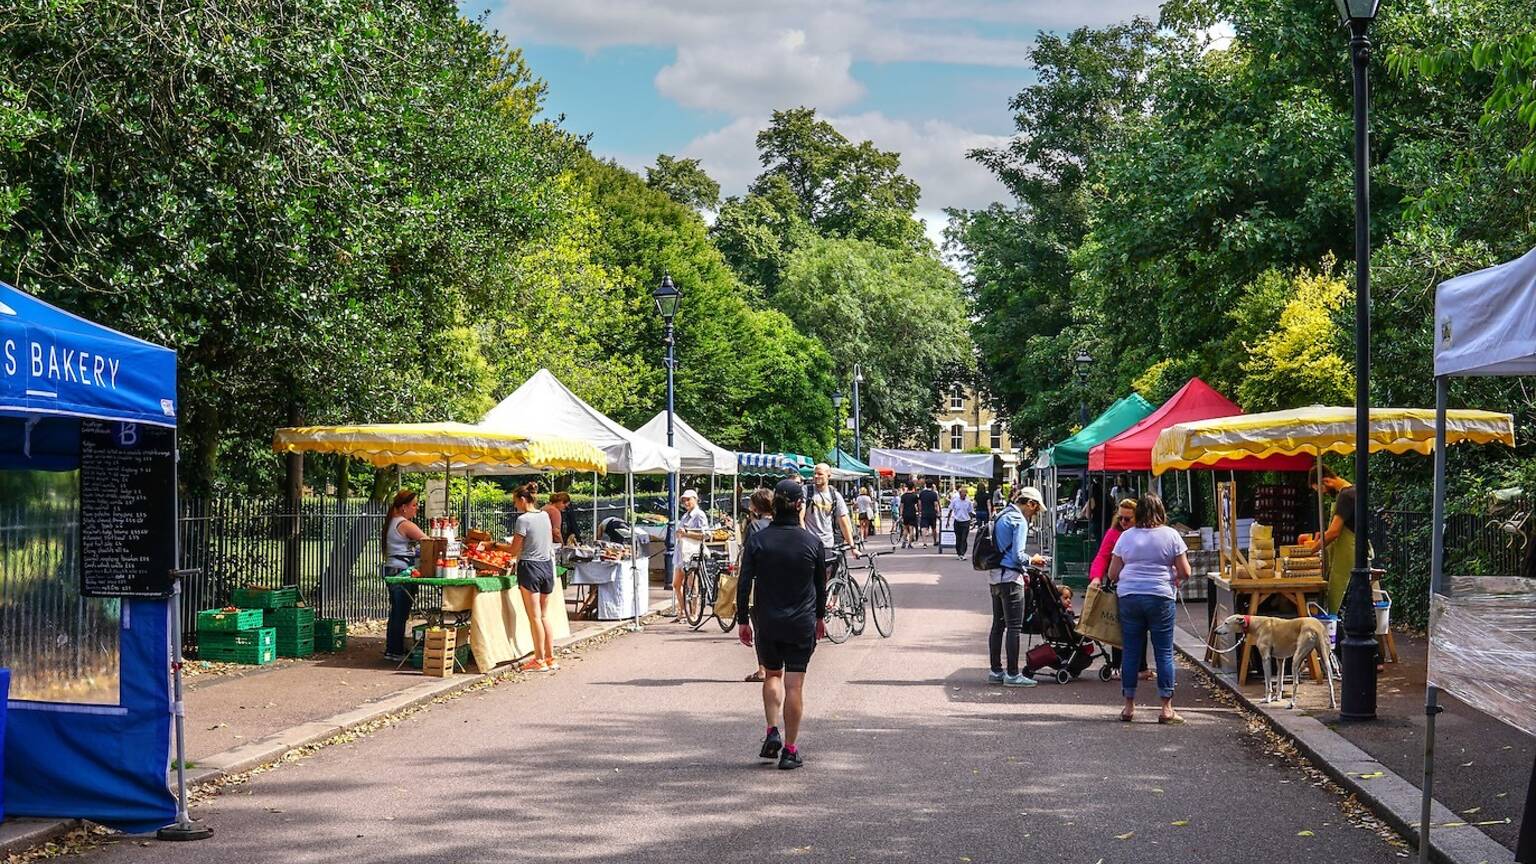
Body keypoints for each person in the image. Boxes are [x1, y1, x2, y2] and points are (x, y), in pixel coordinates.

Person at [737, 478, 828, 770]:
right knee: (795, 685)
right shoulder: (813, 542)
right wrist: (820, 618)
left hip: (768, 620)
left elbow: (743, 582)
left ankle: (771, 729)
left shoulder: (758, 540)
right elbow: (820, 586)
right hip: (801, 621)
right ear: (801, 504)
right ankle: (790, 750)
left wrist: (742, 620)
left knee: (773, 675)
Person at [1105, 492, 1190, 723]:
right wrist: (1173, 575)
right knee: (1163, 652)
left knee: (1131, 650)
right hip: (1160, 596)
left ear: (1138, 512)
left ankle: (1129, 706)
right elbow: (1185, 572)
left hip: (1130, 597)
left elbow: (1112, 573)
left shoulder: (1125, 537)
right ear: (1160, 511)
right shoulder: (1171, 535)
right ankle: (1166, 708)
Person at [989, 487, 1048, 687]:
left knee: (998, 625)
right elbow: (1018, 556)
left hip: (995, 576)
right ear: (1030, 504)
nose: (1034, 515)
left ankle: (996, 670)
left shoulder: (1002, 515)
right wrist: (1035, 559)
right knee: (1014, 627)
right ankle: (1013, 674)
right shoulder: (1019, 521)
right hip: (1011, 578)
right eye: (1036, 510)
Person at [1090, 498, 1148, 680]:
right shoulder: (1113, 533)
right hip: (1120, 585)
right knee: (1119, 626)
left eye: (1127, 519)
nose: (1123, 522)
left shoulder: (1145, 532)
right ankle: (1117, 665)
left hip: (1141, 585)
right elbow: (1102, 556)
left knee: (1140, 627)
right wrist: (1096, 577)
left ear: (1137, 518)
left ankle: (1141, 666)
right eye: (1121, 518)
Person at [506, 483, 559, 672]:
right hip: (546, 566)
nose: (515, 506)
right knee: (544, 616)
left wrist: (493, 545)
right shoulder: (544, 515)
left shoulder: (523, 520)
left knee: (534, 617)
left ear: (522, 500)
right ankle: (550, 657)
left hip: (529, 568)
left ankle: (539, 659)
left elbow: (513, 549)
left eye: (515, 502)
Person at [380, 489, 428, 662]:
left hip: (393, 568)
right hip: (401, 571)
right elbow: (428, 542)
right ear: (403, 508)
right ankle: (394, 650)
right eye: (414, 505)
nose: (417, 508)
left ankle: (394, 648)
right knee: (400, 612)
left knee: (397, 612)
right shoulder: (404, 524)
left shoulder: (392, 522)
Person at [1308, 465, 1359, 615]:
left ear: (1326, 481)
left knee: (1339, 592)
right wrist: (1322, 535)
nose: (1323, 494)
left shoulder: (1346, 496)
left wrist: (1312, 550)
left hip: (1348, 555)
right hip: (1351, 551)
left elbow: (1334, 532)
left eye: (1321, 490)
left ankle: (1335, 628)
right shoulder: (1352, 491)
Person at [739, 488, 775, 683]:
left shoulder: (755, 526)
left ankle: (763, 669)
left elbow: (749, 555)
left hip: (760, 581)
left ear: (755, 506)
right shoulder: (780, 524)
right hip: (781, 582)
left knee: (760, 627)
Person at [803, 464, 859, 579]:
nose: (816, 476)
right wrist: (804, 539)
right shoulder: (806, 491)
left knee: (827, 578)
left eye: (820, 474)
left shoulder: (835, 496)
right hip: (810, 544)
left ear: (828, 475)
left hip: (827, 544)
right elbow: (800, 517)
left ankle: (829, 596)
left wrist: (852, 546)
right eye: (815, 473)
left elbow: (844, 523)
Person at [672, 489, 710, 622]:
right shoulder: (685, 515)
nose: (686, 502)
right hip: (681, 552)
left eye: (688, 499)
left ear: (695, 499)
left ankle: (694, 613)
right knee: (676, 584)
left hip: (692, 552)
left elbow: (706, 535)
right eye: (684, 500)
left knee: (693, 583)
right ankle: (682, 611)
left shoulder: (699, 515)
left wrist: (686, 533)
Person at [950, 487, 975, 559]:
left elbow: (970, 511)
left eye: (965, 494)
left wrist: (972, 521)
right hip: (957, 521)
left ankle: (962, 553)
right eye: (962, 494)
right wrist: (948, 520)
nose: (964, 495)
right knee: (958, 539)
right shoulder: (955, 501)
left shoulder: (968, 502)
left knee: (964, 538)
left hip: (966, 521)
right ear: (960, 494)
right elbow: (951, 509)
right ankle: (959, 553)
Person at [919, 481, 941, 547]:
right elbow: (936, 504)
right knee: (934, 528)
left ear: (926, 485)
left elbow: (919, 503)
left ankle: (925, 543)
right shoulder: (934, 494)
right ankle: (935, 541)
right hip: (932, 513)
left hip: (924, 512)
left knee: (924, 528)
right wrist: (938, 512)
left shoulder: (922, 493)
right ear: (932, 486)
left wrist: (920, 511)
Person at [899, 482, 921, 549]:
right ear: (913, 487)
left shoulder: (903, 496)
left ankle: (904, 541)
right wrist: (919, 512)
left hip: (905, 514)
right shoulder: (915, 496)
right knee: (911, 529)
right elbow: (918, 505)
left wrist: (901, 514)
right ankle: (909, 544)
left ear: (907, 487)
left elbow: (901, 506)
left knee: (905, 528)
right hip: (912, 513)